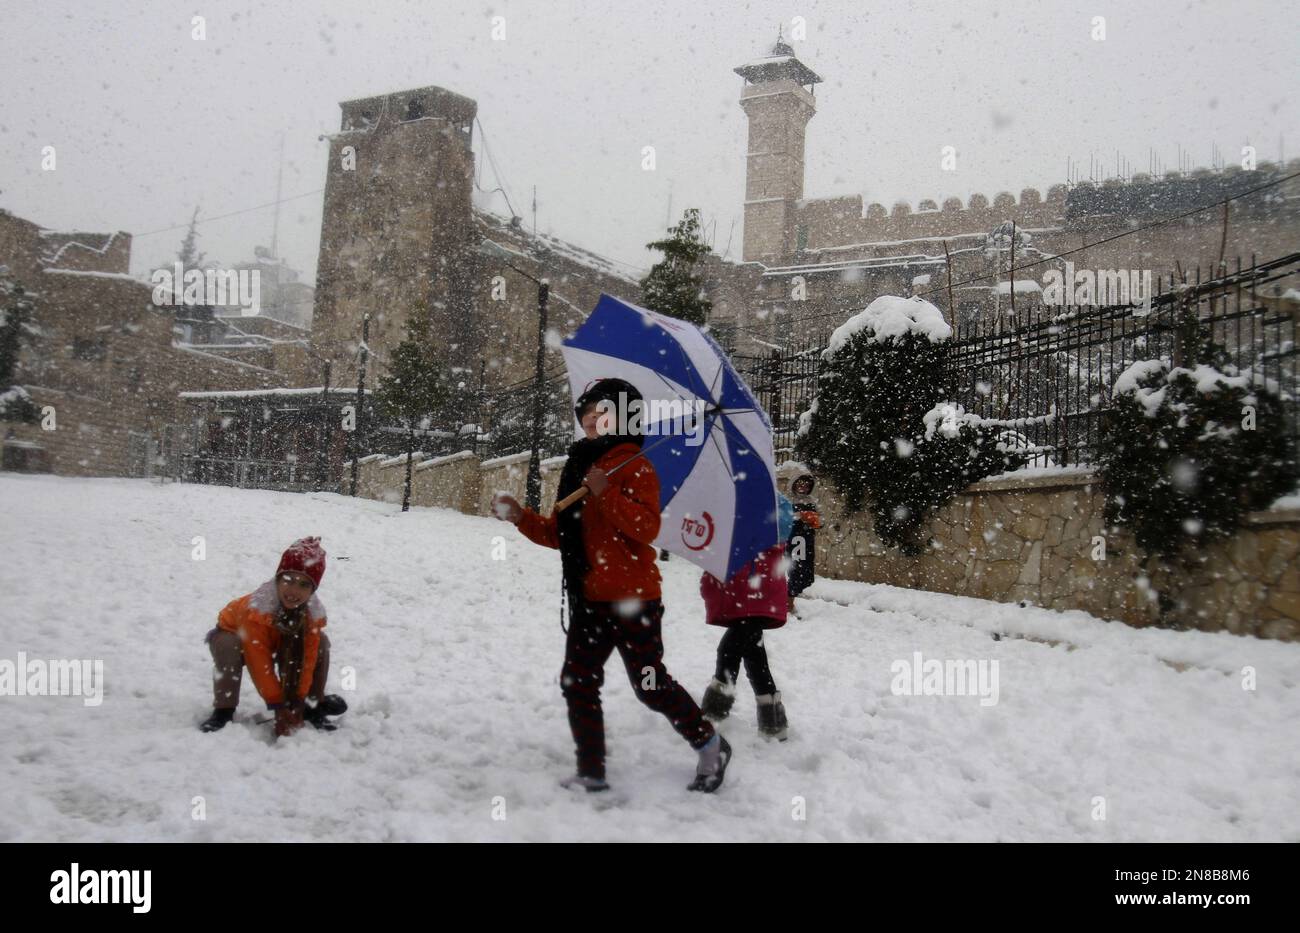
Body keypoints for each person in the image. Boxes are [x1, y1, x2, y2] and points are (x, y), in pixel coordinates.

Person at [492, 378, 732, 793]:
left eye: (599, 413)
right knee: (578, 681)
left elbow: (647, 527)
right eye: (584, 414)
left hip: (632, 599)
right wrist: (521, 518)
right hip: (589, 597)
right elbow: (562, 535)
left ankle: (710, 744)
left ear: (621, 418)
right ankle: (591, 770)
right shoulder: (582, 466)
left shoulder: (635, 464)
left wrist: (606, 494)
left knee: (649, 685)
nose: (589, 421)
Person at [199, 537, 347, 736]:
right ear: (278, 579)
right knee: (229, 646)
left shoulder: (311, 614)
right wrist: (278, 705)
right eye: (289, 580)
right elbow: (258, 661)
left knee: (321, 642)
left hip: (278, 640)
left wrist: (297, 702)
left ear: (312, 591)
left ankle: (313, 706)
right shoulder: (256, 609)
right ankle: (223, 711)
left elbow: (307, 659)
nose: (294, 591)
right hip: (237, 636)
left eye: (304, 585)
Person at [698, 493, 792, 740]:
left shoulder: (770, 500)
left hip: (757, 594)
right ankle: (773, 723)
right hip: (747, 595)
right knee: (753, 655)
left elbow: (780, 527)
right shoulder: (731, 500)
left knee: (729, 650)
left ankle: (714, 712)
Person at [787, 474, 821, 614]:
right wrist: (799, 516)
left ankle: (785, 598)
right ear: (794, 484)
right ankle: (788, 603)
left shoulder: (813, 502)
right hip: (795, 540)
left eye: (806, 485)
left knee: (808, 577)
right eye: (800, 483)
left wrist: (815, 521)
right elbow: (781, 519)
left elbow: (821, 522)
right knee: (796, 572)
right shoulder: (787, 500)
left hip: (808, 540)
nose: (803, 487)